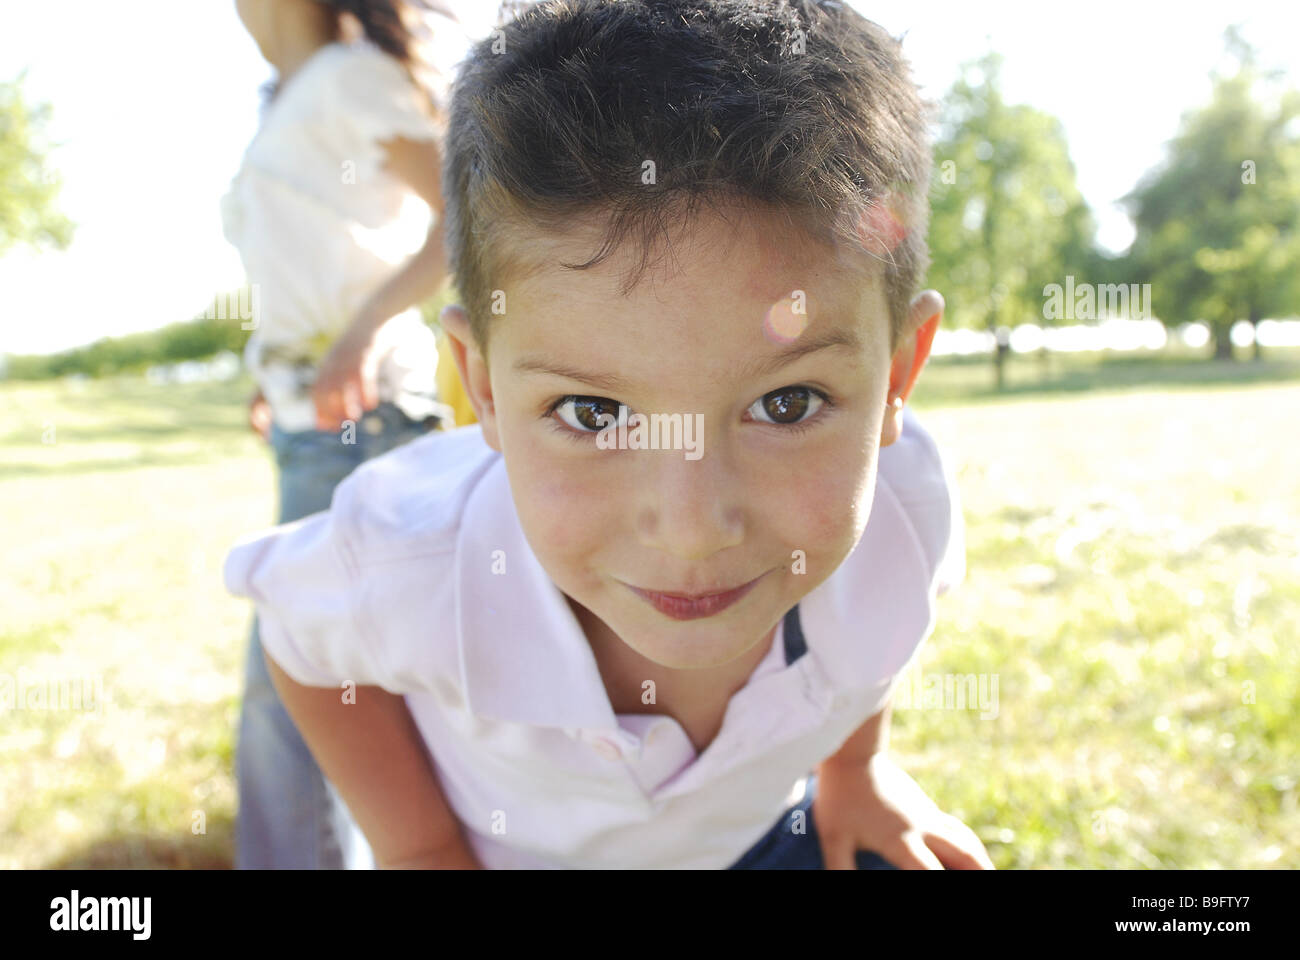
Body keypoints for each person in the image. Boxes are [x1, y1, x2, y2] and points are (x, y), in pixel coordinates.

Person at [223, 0, 995, 870]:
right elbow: (303, 644)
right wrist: (423, 848)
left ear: (897, 375)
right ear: (483, 386)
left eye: (787, 404)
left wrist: (856, 770)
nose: (693, 529)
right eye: (594, 414)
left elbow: (876, 624)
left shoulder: (906, 505)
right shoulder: (404, 561)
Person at [221, 0, 460, 868]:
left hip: (370, 419)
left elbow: (461, 217)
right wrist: (275, 374)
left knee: (295, 689)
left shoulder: (349, 77)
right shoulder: (289, 99)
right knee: (317, 684)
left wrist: (359, 333)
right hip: (312, 423)